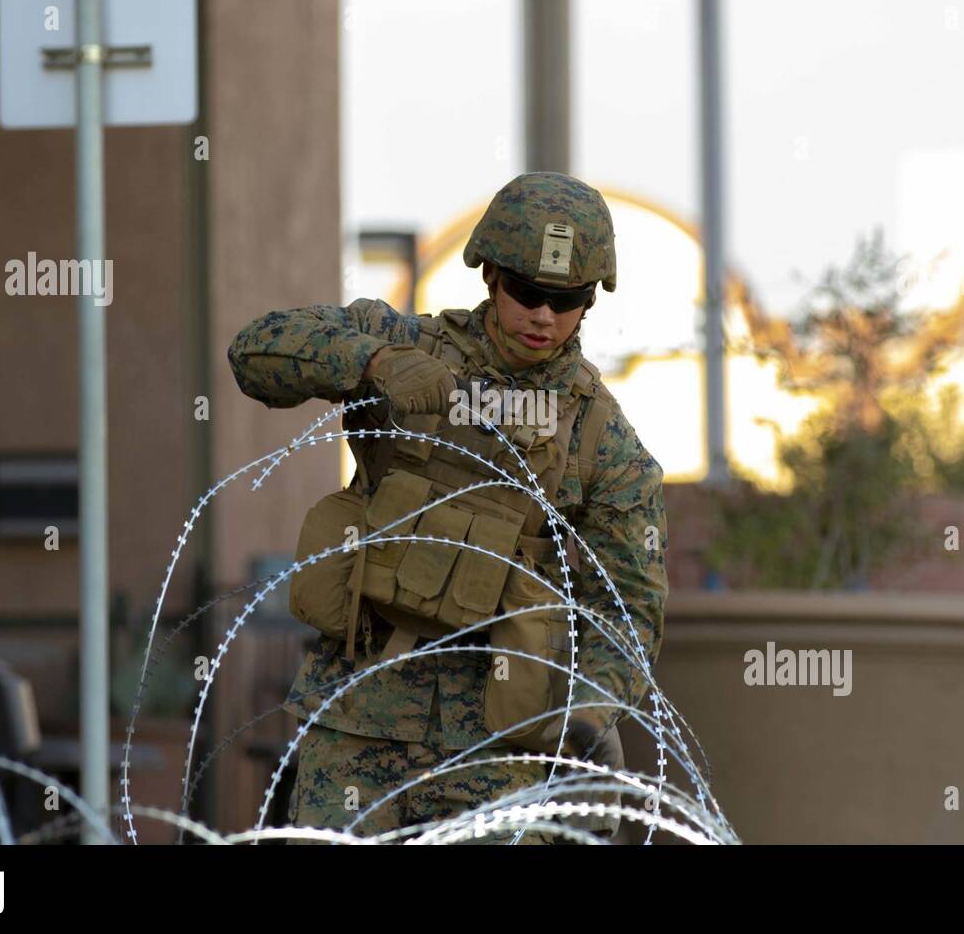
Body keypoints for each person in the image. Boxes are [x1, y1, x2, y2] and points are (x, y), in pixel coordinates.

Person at [227, 171, 667, 843]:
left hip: (497, 750)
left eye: (567, 299)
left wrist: (587, 714)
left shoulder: (598, 437)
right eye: (527, 292)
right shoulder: (406, 347)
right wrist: (369, 362)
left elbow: (629, 604)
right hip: (358, 722)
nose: (543, 316)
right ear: (490, 274)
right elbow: (255, 352)